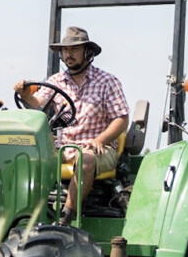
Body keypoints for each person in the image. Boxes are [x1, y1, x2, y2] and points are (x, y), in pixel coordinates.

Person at [15, 26, 128, 223]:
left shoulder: (107, 81)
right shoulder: (56, 81)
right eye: (65, 50)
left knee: (85, 159)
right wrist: (26, 96)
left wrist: (100, 140)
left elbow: (121, 119)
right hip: (63, 148)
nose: (69, 54)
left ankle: (65, 216)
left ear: (88, 52)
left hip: (98, 149)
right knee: (21, 156)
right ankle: (24, 215)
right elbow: (39, 104)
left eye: (74, 49)